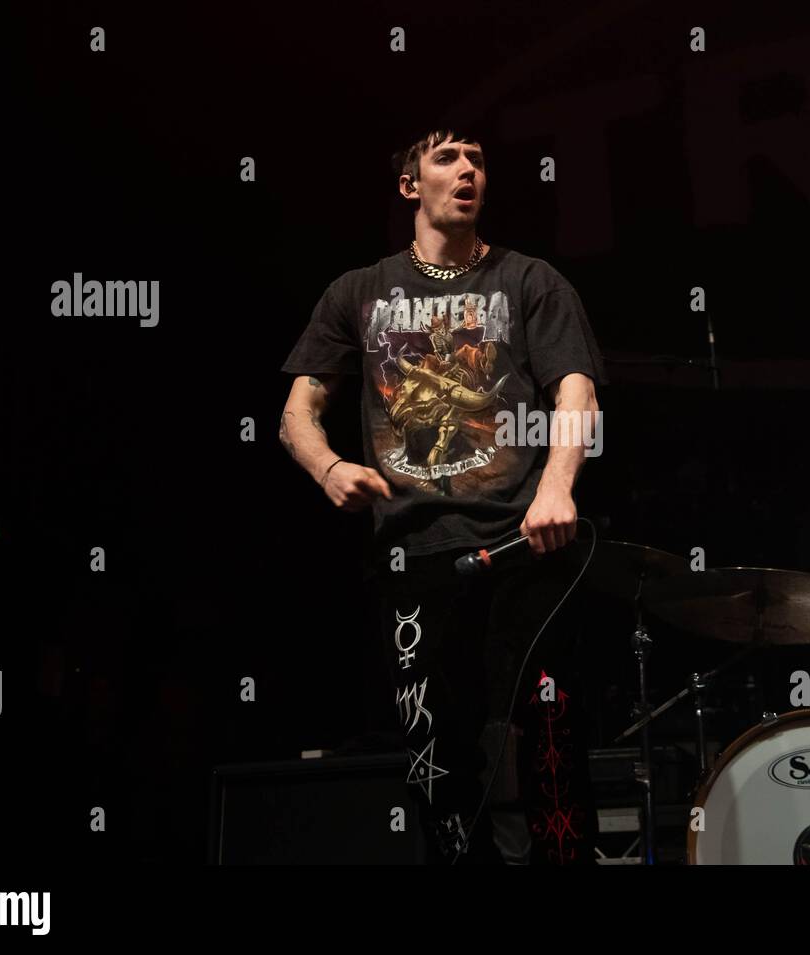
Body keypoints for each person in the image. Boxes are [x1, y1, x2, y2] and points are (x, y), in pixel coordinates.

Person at [278, 128, 607, 863]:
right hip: (416, 562)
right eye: (447, 157)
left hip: (527, 547)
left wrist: (556, 487)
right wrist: (330, 468)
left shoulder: (530, 280)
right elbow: (296, 414)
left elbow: (575, 391)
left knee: (550, 748)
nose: (467, 170)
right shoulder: (357, 291)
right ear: (409, 185)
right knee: (438, 760)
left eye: (479, 160)